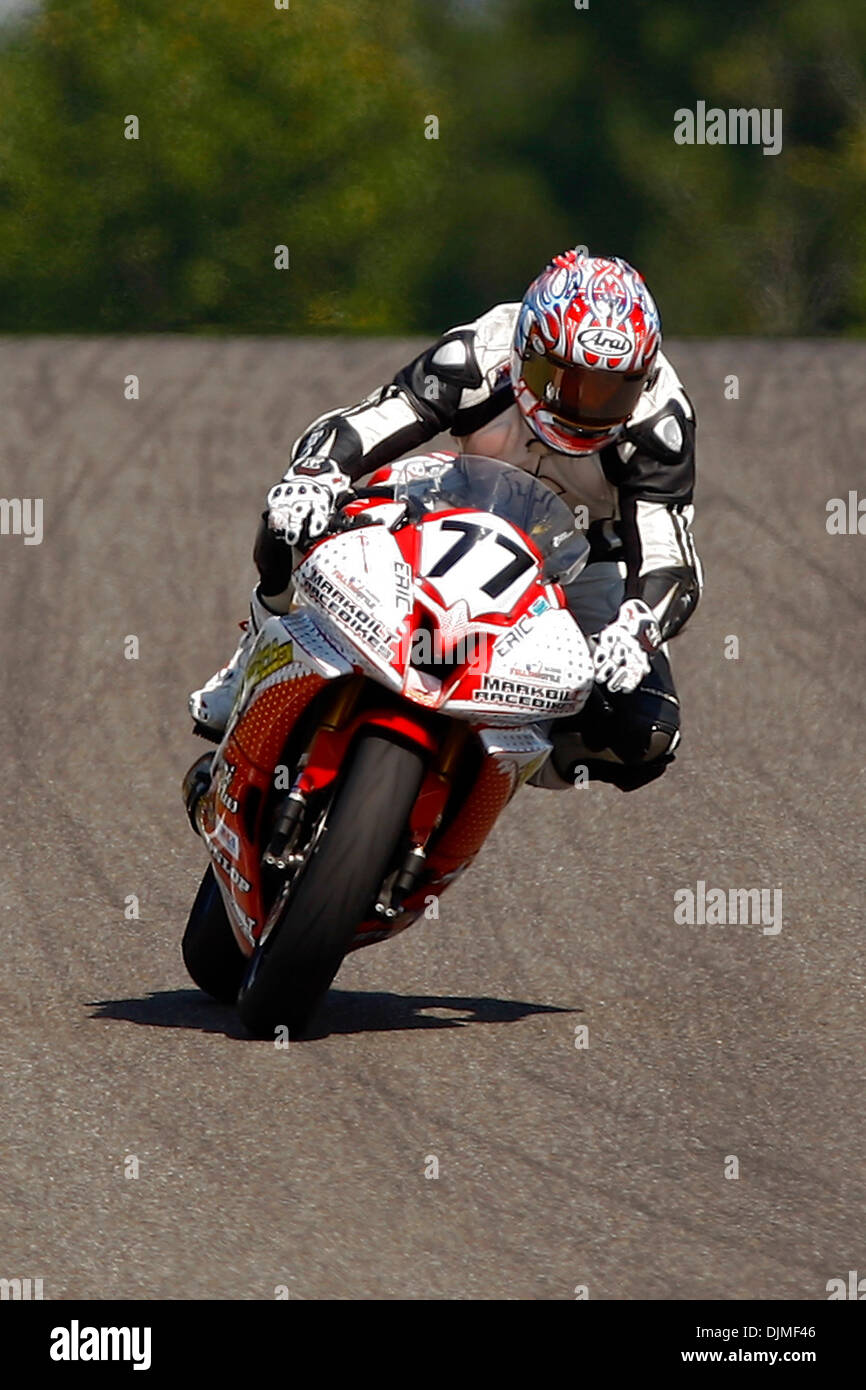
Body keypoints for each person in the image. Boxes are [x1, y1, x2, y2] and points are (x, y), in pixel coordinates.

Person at [189, 249, 701, 790]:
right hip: (451, 502)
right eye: (560, 378)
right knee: (288, 518)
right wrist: (319, 473)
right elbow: (385, 413)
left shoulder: (658, 423)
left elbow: (668, 544)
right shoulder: (481, 354)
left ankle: (491, 765)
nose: (579, 406)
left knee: (646, 735)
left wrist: (639, 622)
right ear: (525, 348)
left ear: (641, 381)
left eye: (608, 391)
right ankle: (250, 660)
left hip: (581, 562)